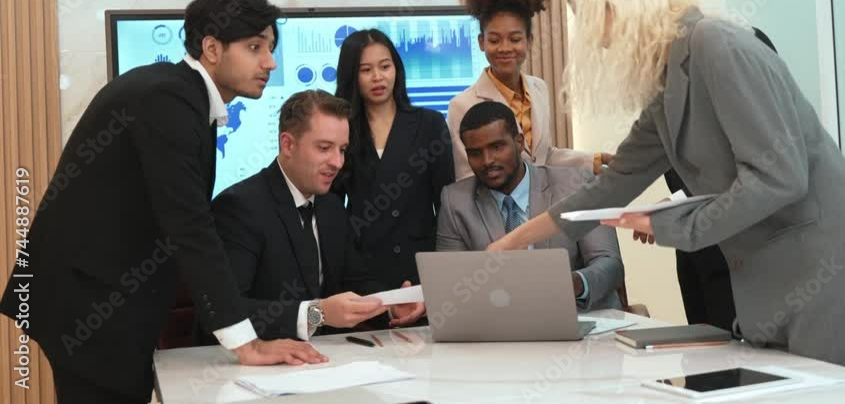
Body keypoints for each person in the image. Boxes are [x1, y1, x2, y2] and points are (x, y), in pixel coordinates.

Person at [488, 0, 845, 379]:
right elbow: (610, 185)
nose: (593, 37)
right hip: (787, 291)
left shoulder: (716, 45)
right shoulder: (671, 78)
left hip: (840, 280)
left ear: (620, 6)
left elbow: (779, 177)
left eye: (587, 15)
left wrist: (669, 225)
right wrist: (506, 247)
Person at [0, 0, 325, 404]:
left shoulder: (181, 94)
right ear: (211, 48)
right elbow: (189, 224)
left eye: (270, 47)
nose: (270, 62)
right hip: (85, 302)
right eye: (255, 47)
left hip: (96, 297)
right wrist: (246, 343)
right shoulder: (168, 98)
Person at [206, 90, 425, 343]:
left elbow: (355, 281)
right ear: (288, 144)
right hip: (258, 368)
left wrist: (389, 304)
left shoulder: (331, 206)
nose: (337, 162)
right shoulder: (239, 207)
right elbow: (224, 312)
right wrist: (316, 314)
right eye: (324, 148)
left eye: (342, 150)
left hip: (327, 361)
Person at [643, 0, 778, 334]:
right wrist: (675, 203)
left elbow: (761, 158)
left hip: (746, 243)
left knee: (749, 377)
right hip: (695, 242)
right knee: (701, 365)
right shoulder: (666, 58)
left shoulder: (742, 43)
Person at [437, 102, 624, 310]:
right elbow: (450, 284)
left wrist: (574, 283)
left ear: (519, 142)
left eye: (497, 147)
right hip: (500, 326)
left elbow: (610, 265)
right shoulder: (456, 201)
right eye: (475, 153)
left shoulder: (577, 185)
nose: (487, 161)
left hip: (579, 319)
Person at [448, 0, 611, 181]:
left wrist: (595, 160)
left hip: (539, 204)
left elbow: (544, 157)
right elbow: (467, 177)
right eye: (494, 40)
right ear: (481, 42)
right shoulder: (462, 105)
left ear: (529, 41)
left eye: (515, 39)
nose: (505, 48)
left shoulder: (538, 88)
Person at [334, 29, 454, 289]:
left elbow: (446, 203)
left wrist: (437, 273)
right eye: (365, 70)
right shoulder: (341, 128)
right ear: (351, 76)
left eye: (385, 66)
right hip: (361, 269)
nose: (378, 77)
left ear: (396, 69)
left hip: (420, 266)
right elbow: (331, 208)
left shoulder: (429, 123)